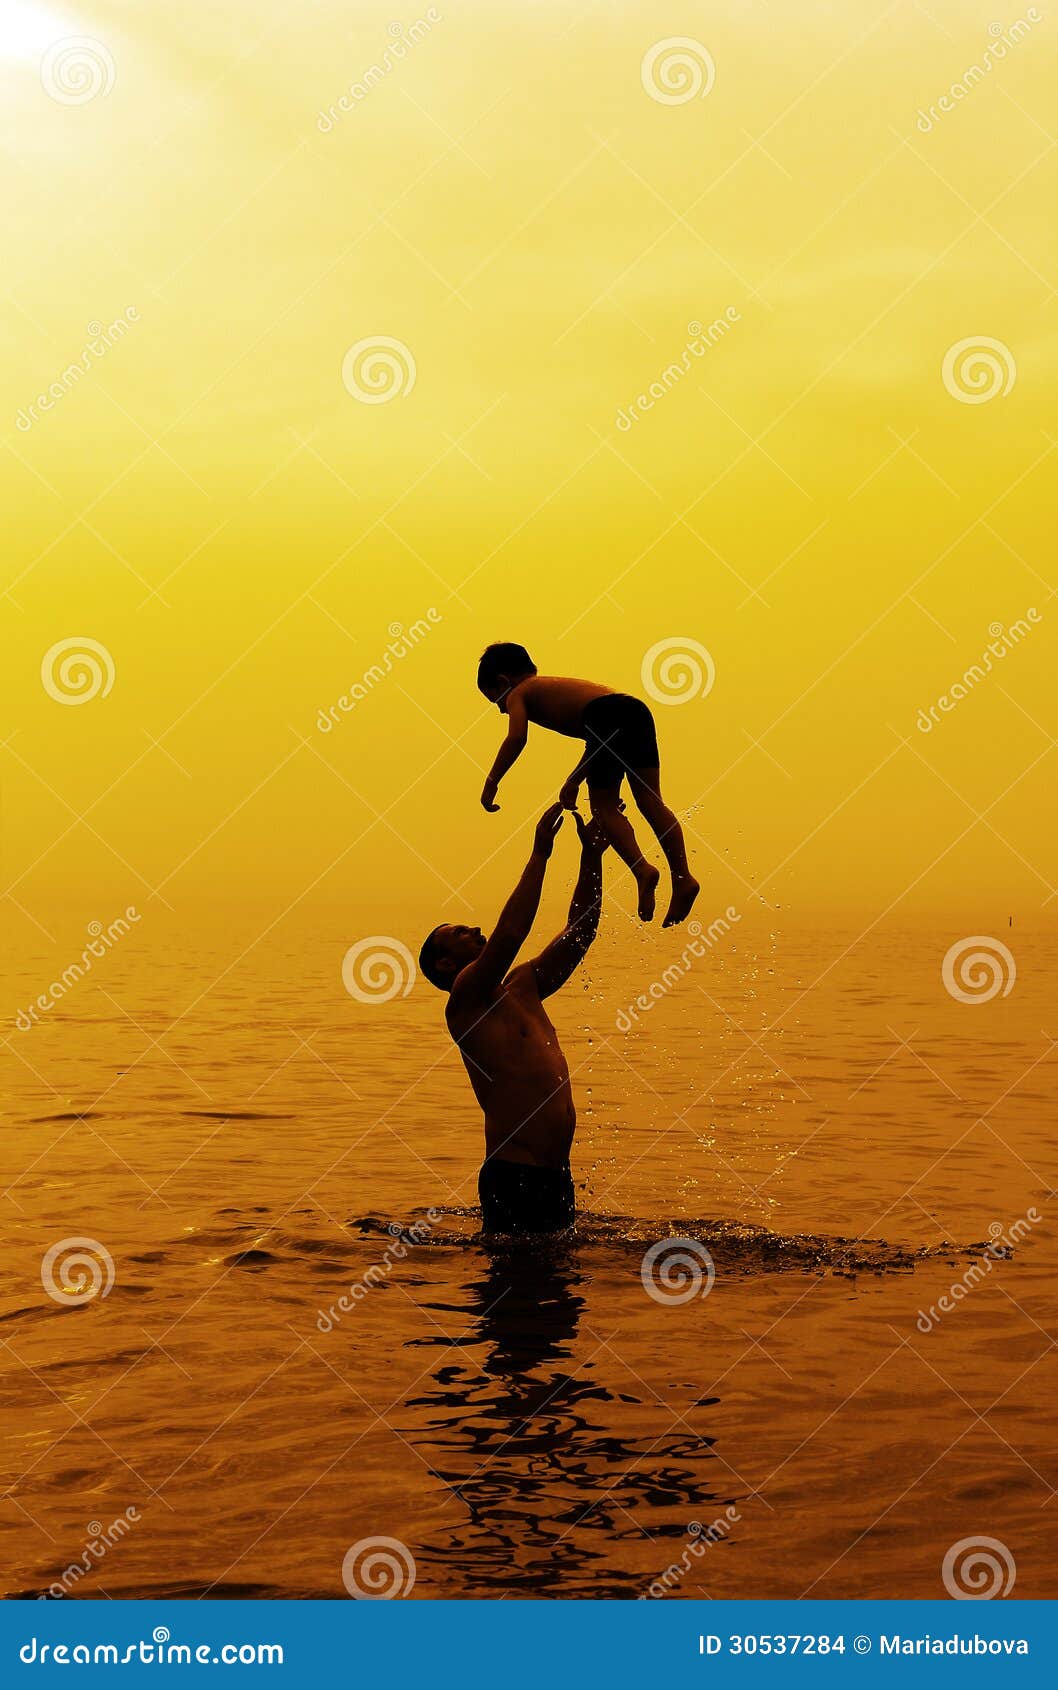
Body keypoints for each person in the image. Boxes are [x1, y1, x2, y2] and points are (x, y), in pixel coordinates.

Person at [418, 803, 608, 1235]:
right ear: (446, 965)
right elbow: (510, 933)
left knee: (558, 1297)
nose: (474, 929)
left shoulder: (524, 986)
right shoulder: (465, 1001)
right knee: (518, 1295)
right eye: (459, 933)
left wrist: (591, 855)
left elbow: (581, 930)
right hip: (514, 1176)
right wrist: (540, 852)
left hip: (556, 1177)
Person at [476, 641, 699, 927]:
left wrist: (492, 781)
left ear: (503, 681)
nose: (502, 711)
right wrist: (574, 779)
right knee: (649, 800)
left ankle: (642, 870)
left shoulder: (520, 693)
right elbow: (599, 739)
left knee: (604, 808)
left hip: (606, 717)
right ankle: (683, 877)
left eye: (496, 701)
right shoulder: (563, 690)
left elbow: (517, 738)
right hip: (635, 711)